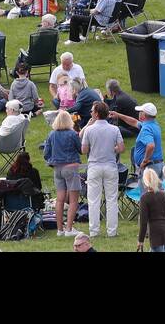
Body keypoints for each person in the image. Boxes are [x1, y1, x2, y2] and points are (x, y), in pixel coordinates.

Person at [80, 100, 123, 239]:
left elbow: (84, 150)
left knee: (93, 201)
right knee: (111, 199)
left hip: (94, 166)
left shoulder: (89, 130)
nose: (90, 113)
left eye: (92, 111)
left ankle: (94, 231)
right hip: (110, 166)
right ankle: (112, 231)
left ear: (97, 113)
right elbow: (121, 148)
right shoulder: (114, 129)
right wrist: (112, 149)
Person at [43, 108, 82, 237]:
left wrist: (52, 161)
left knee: (59, 200)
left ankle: (60, 229)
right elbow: (81, 149)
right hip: (71, 167)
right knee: (73, 200)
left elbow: (46, 154)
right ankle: (69, 229)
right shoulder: (72, 134)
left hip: (57, 169)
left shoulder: (51, 134)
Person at [113, 102, 162, 172]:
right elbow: (134, 122)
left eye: (140, 112)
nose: (139, 113)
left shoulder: (146, 129)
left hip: (149, 168)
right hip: (156, 165)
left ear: (143, 115)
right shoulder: (153, 124)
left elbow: (151, 145)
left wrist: (144, 161)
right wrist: (118, 115)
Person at [137, 167, 165, 252]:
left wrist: (140, 240)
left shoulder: (144, 198)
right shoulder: (164, 195)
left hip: (155, 231)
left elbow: (143, 222)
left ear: (145, 182)